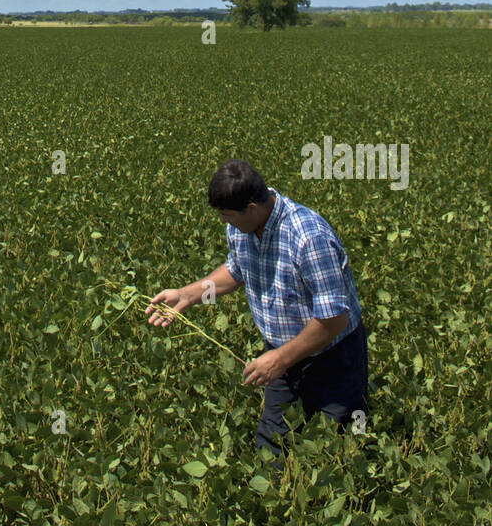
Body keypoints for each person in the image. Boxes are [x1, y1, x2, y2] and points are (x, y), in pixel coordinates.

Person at [145, 159, 368, 462]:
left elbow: (333, 321)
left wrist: (279, 359)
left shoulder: (309, 238)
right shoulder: (243, 228)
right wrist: (187, 296)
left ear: (252, 208)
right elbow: (237, 272)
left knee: (337, 448)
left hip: (333, 358)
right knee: (271, 448)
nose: (223, 221)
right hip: (281, 360)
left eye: (226, 214)